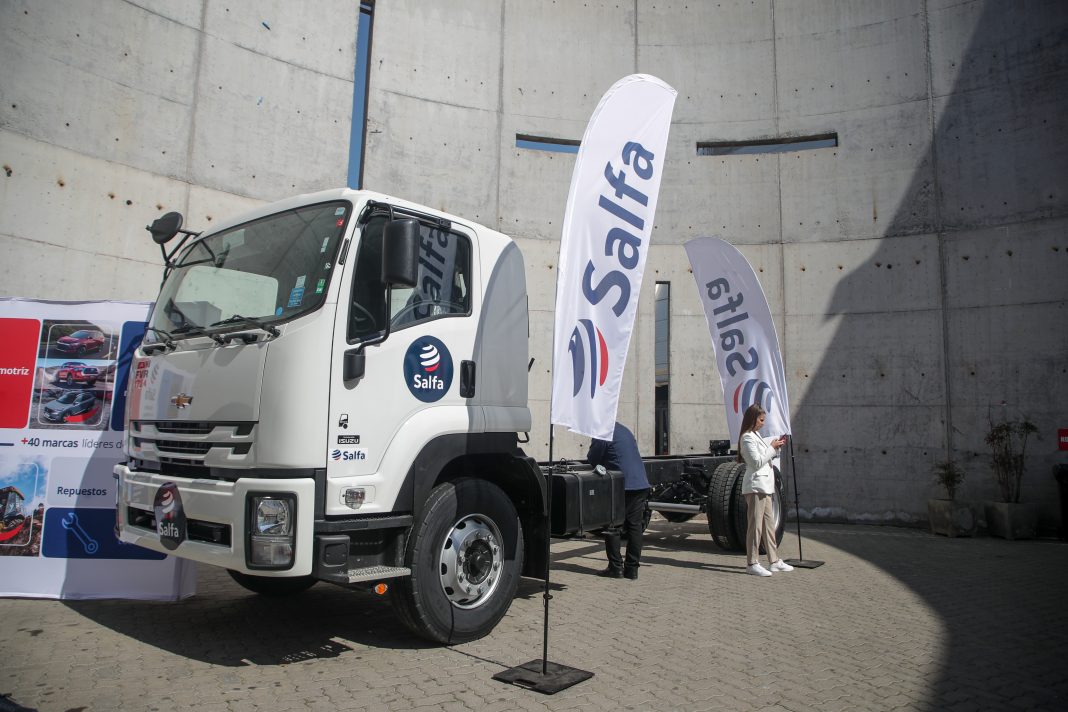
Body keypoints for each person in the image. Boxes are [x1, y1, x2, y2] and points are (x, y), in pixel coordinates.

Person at [587, 422, 651, 580]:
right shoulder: (624, 429)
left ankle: (615, 568)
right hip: (640, 482)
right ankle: (632, 570)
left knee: (613, 525)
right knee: (635, 527)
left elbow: (593, 458)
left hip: (623, 484)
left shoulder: (602, 430)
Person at [737, 404, 794, 577]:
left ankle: (774, 561)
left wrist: (774, 447)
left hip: (765, 486)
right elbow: (756, 462)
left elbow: (764, 457)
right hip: (756, 487)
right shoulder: (747, 437)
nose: (763, 423)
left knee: (769, 525)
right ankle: (752, 562)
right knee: (755, 526)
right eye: (761, 420)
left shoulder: (755, 435)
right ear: (752, 419)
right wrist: (772, 448)